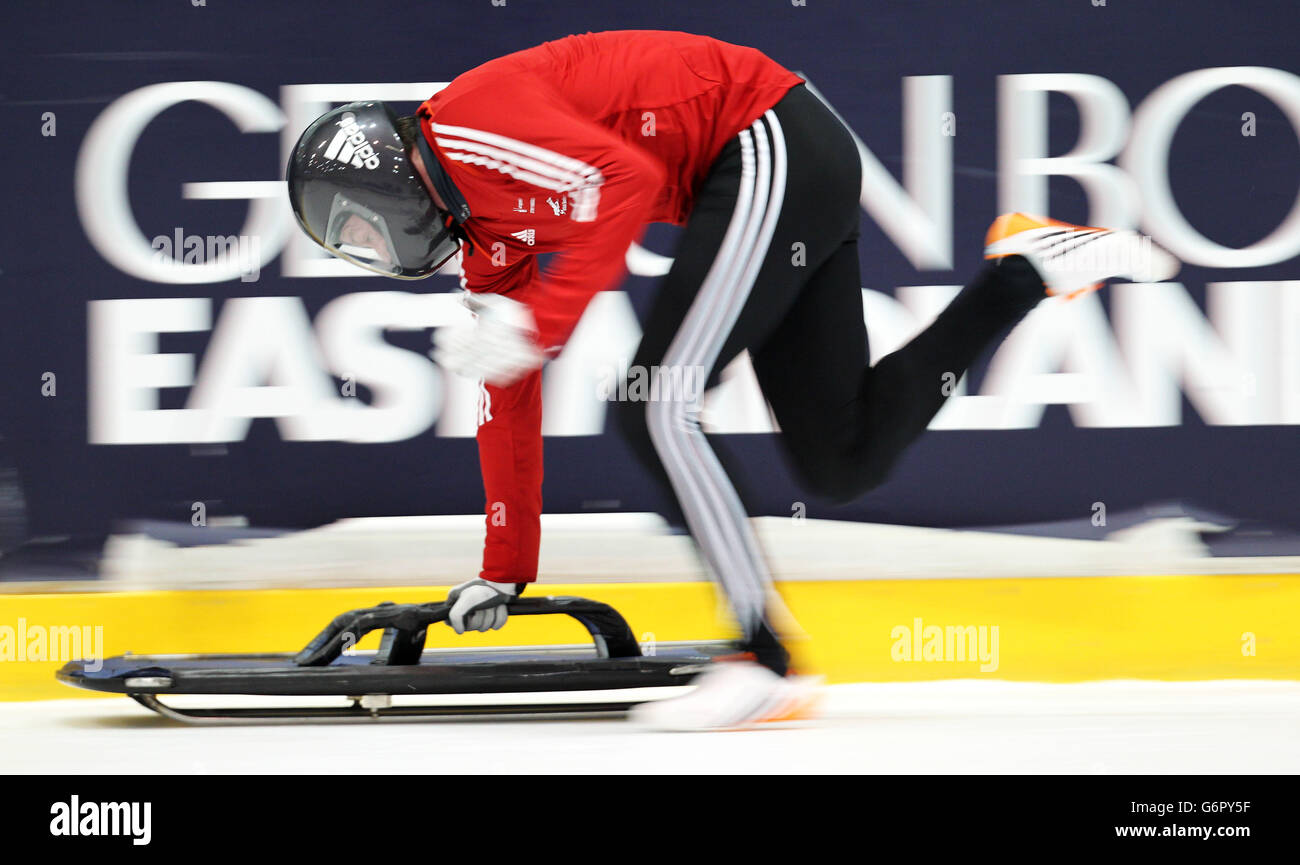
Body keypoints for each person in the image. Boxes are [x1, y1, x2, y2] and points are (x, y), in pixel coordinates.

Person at [287, 30, 1176, 731]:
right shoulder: (485, 243)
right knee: (844, 457)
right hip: (781, 162)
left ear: (388, 181)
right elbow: (504, 400)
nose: (373, 255)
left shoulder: (469, 124)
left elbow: (624, 179)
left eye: (361, 234)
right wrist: (505, 569)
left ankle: (766, 661)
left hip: (764, 139)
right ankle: (1025, 271)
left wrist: (543, 322)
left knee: (652, 408)